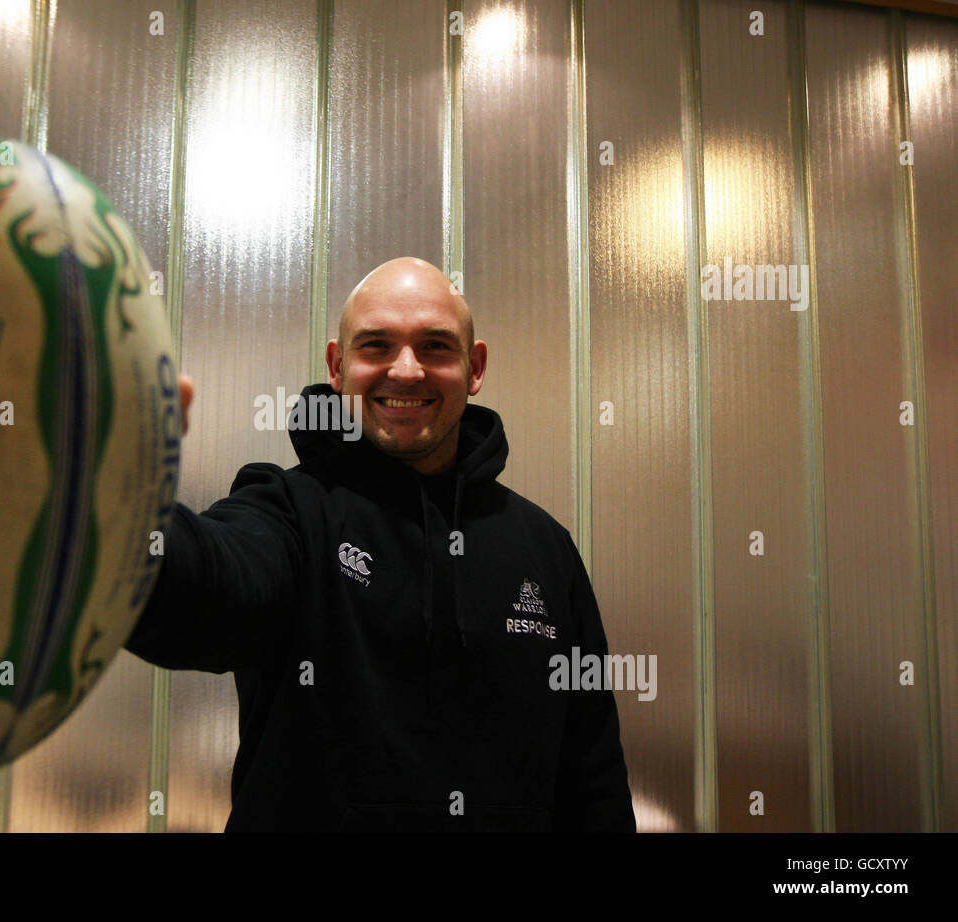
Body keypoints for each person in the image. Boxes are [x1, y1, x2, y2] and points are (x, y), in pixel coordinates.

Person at [126, 256, 636, 832]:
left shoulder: (545, 548)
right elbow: (203, 590)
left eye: (436, 347)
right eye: (377, 346)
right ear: (338, 366)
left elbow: (594, 779)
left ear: (475, 367)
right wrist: (110, 506)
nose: (408, 370)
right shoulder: (289, 512)